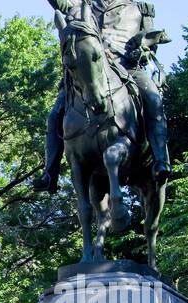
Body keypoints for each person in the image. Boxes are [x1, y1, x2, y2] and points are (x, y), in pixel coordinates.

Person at [36, 0, 171, 193]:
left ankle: (159, 159)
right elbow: (61, 4)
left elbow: (150, 44)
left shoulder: (141, 8)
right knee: (55, 114)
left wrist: (142, 49)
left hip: (128, 66)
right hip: (91, 69)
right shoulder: (84, 3)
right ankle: (50, 172)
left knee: (153, 98)